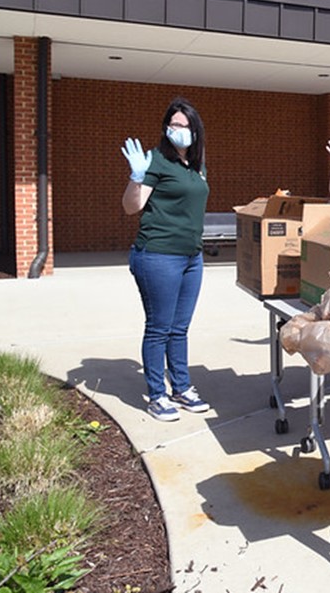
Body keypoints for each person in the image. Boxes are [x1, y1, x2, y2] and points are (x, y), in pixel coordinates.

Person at [121, 97, 212, 422]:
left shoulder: (197, 163)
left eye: (185, 126)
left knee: (180, 328)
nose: (180, 131)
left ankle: (182, 387)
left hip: (191, 257)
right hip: (158, 254)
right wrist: (136, 176)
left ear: (195, 129)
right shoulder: (155, 160)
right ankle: (157, 395)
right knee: (159, 327)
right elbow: (131, 207)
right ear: (166, 128)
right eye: (174, 125)